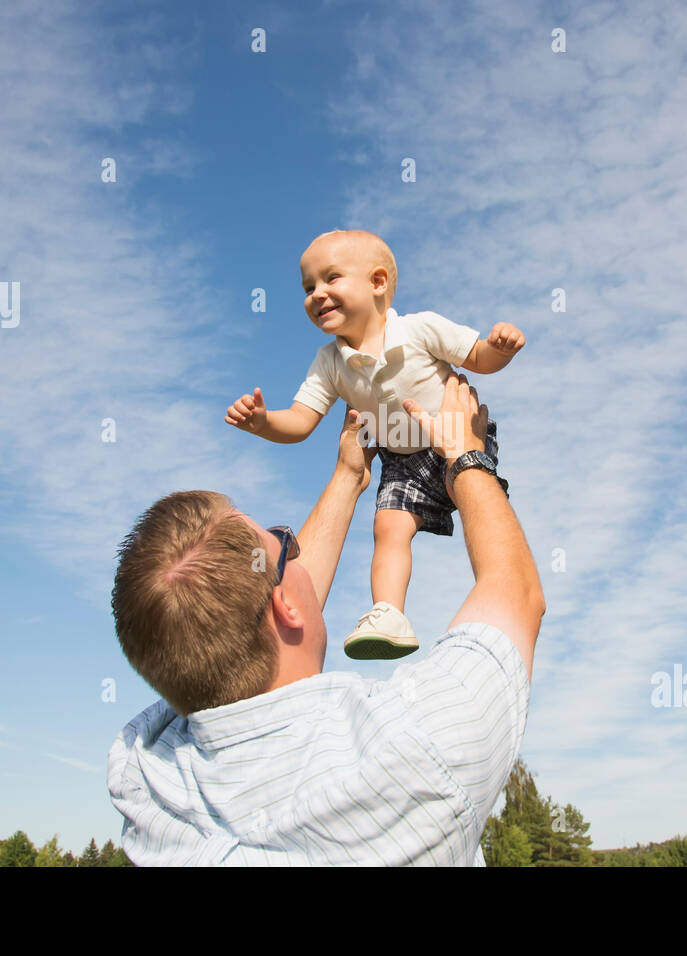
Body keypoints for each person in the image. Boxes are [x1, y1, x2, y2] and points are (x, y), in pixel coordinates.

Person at [108, 373, 545, 865]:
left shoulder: (148, 777)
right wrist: (467, 455)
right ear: (283, 606)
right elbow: (515, 592)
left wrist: (347, 478)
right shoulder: (417, 752)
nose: (296, 550)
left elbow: (262, 613)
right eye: (283, 542)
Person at [224, 229, 527, 659]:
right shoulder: (328, 362)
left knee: (480, 506)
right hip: (399, 458)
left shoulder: (420, 328)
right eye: (308, 287)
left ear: (378, 283)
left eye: (331, 278)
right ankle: (388, 613)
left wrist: (501, 349)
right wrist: (262, 422)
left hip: (455, 438)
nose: (317, 294)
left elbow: (478, 358)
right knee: (387, 528)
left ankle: (502, 595)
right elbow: (300, 421)